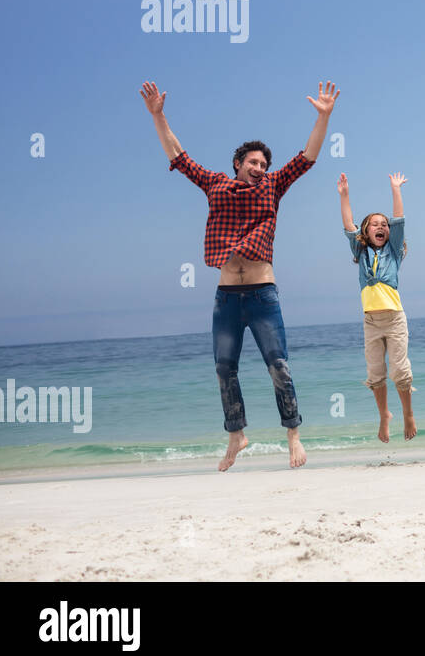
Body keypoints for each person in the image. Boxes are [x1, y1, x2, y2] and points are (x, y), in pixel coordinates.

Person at [140, 79, 339, 471]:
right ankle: (236, 435)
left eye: (264, 164)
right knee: (223, 367)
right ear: (238, 164)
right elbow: (179, 157)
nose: (260, 168)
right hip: (227, 297)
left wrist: (324, 116)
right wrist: (159, 115)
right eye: (254, 163)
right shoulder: (216, 185)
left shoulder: (274, 187)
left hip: (264, 293)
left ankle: (293, 435)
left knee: (278, 365)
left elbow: (308, 157)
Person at [339, 171, 415, 443]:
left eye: (384, 224)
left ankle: (407, 413)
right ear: (366, 231)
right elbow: (348, 224)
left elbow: (399, 219)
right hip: (371, 322)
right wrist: (344, 195)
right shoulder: (360, 251)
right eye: (374, 224)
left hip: (394, 319)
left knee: (399, 371)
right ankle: (384, 415)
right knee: (375, 374)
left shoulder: (393, 250)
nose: (381, 227)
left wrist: (396, 189)